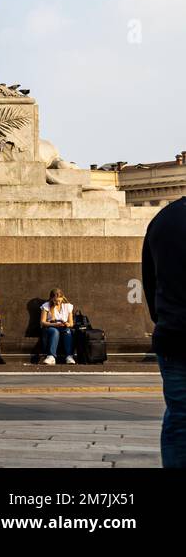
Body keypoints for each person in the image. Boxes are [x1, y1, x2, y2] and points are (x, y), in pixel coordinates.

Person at [143, 196, 186, 468]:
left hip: (174, 337)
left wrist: (166, 319)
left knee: (180, 419)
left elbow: (150, 281)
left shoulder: (164, 219)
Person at [40, 288, 75, 365]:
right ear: (51, 298)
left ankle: (69, 356)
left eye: (59, 300)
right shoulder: (46, 306)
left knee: (68, 331)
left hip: (63, 327)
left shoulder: (68, 306)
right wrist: (54, 324)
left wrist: (67, 324)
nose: (58, 303)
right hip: (50, 327)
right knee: (55, 331)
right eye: (55, 301)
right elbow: (42, 322)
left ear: (62, 298)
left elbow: (71, 323)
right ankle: (51, 356)